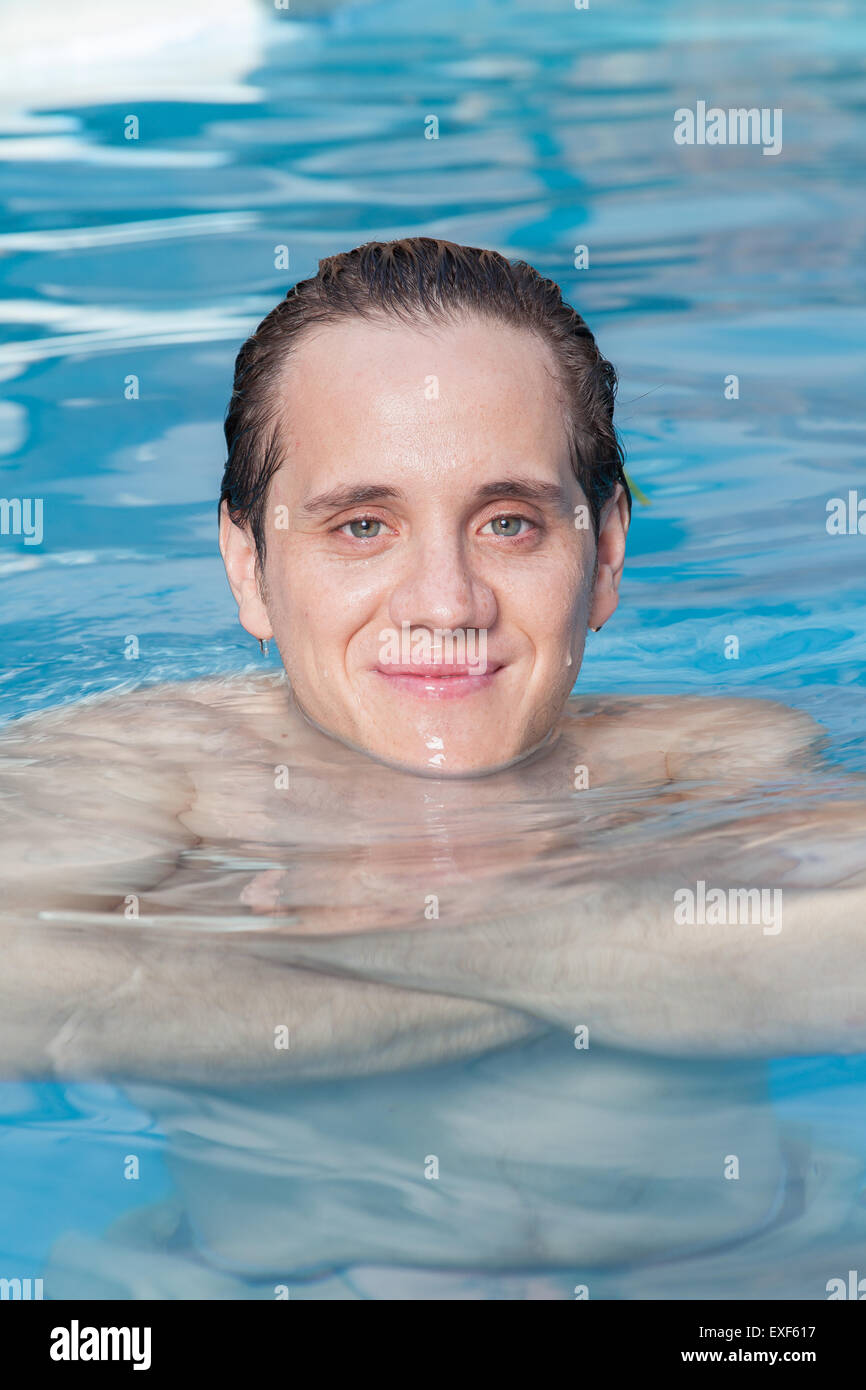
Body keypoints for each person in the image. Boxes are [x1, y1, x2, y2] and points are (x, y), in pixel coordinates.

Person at [1, 236, 864, 1078]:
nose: (447, 603)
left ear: (603, 555)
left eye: (509, 524)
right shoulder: (141, 768)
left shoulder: (708, 759)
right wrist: (652, 967)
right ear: (249, 566)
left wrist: (336, 956)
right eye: (363, 527)